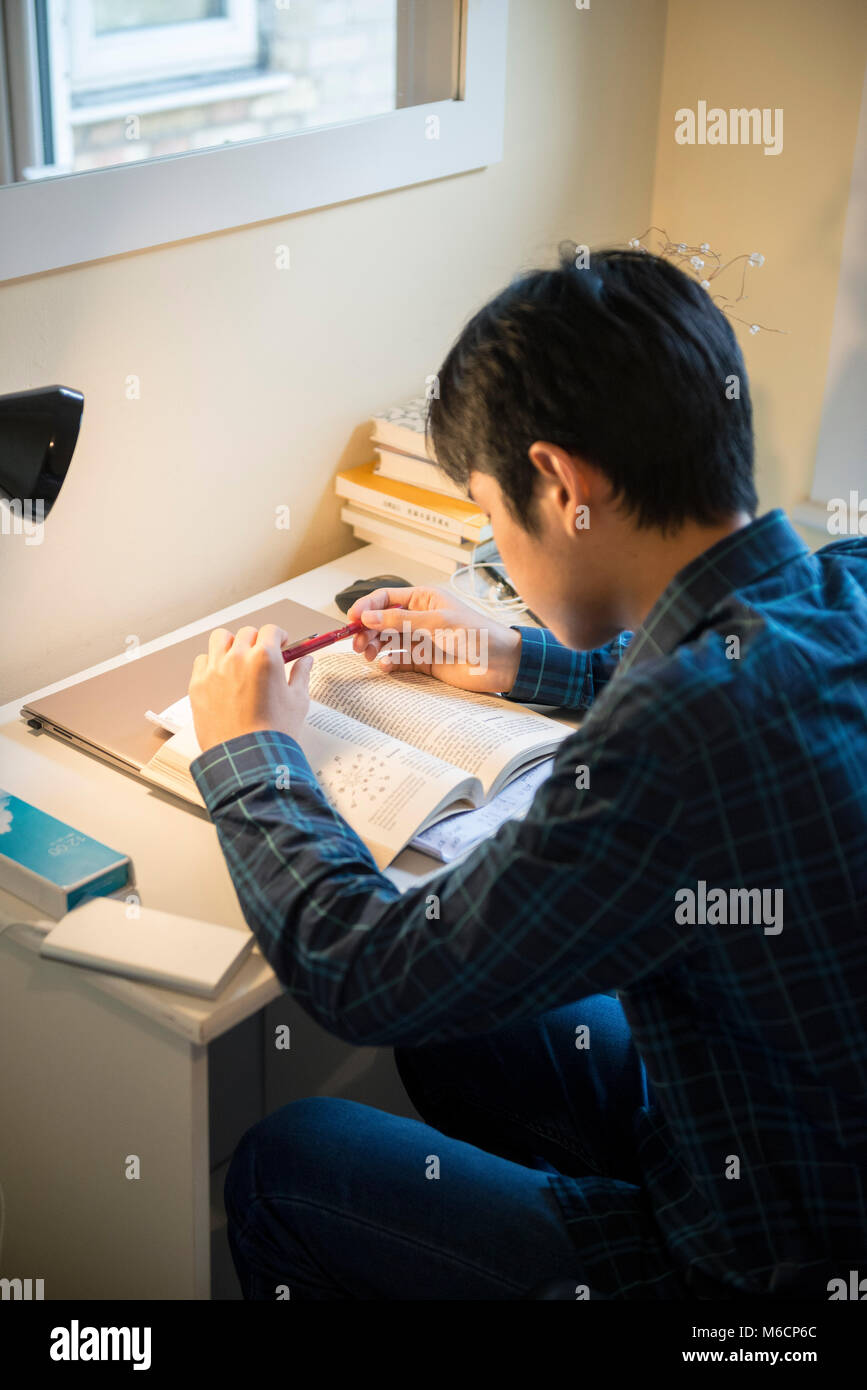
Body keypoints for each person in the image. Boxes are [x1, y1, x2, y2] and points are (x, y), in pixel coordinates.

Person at [187, 246, 867, 1300]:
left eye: (491, 516)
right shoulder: (843, 585)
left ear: (563, 482)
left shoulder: (663, 749)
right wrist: (518, 657)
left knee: (287, 1163)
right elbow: (734, 672)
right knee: (463, 1036)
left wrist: (250, 753)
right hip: (782, 1144)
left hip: (757, 1275)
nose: (498, 551)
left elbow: (363, 972)